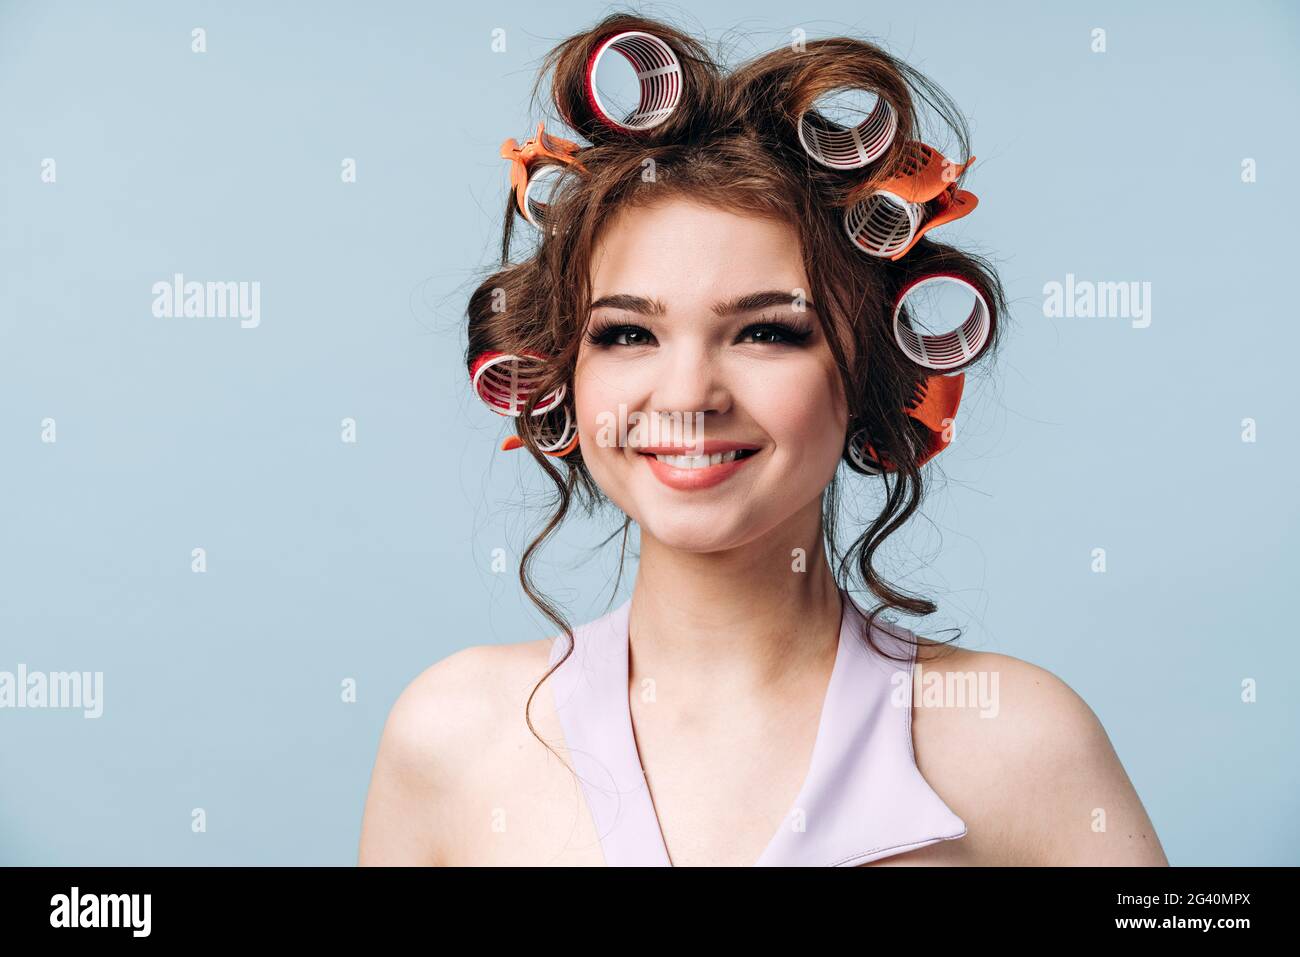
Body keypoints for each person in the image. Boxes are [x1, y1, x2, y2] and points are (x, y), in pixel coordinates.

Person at [359, 12, 1168, 867]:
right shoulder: (451, 737)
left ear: (870, 375)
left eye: (769, 332)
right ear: (563, 370)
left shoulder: (1020, 740)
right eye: (627, 334)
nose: (688, 395)